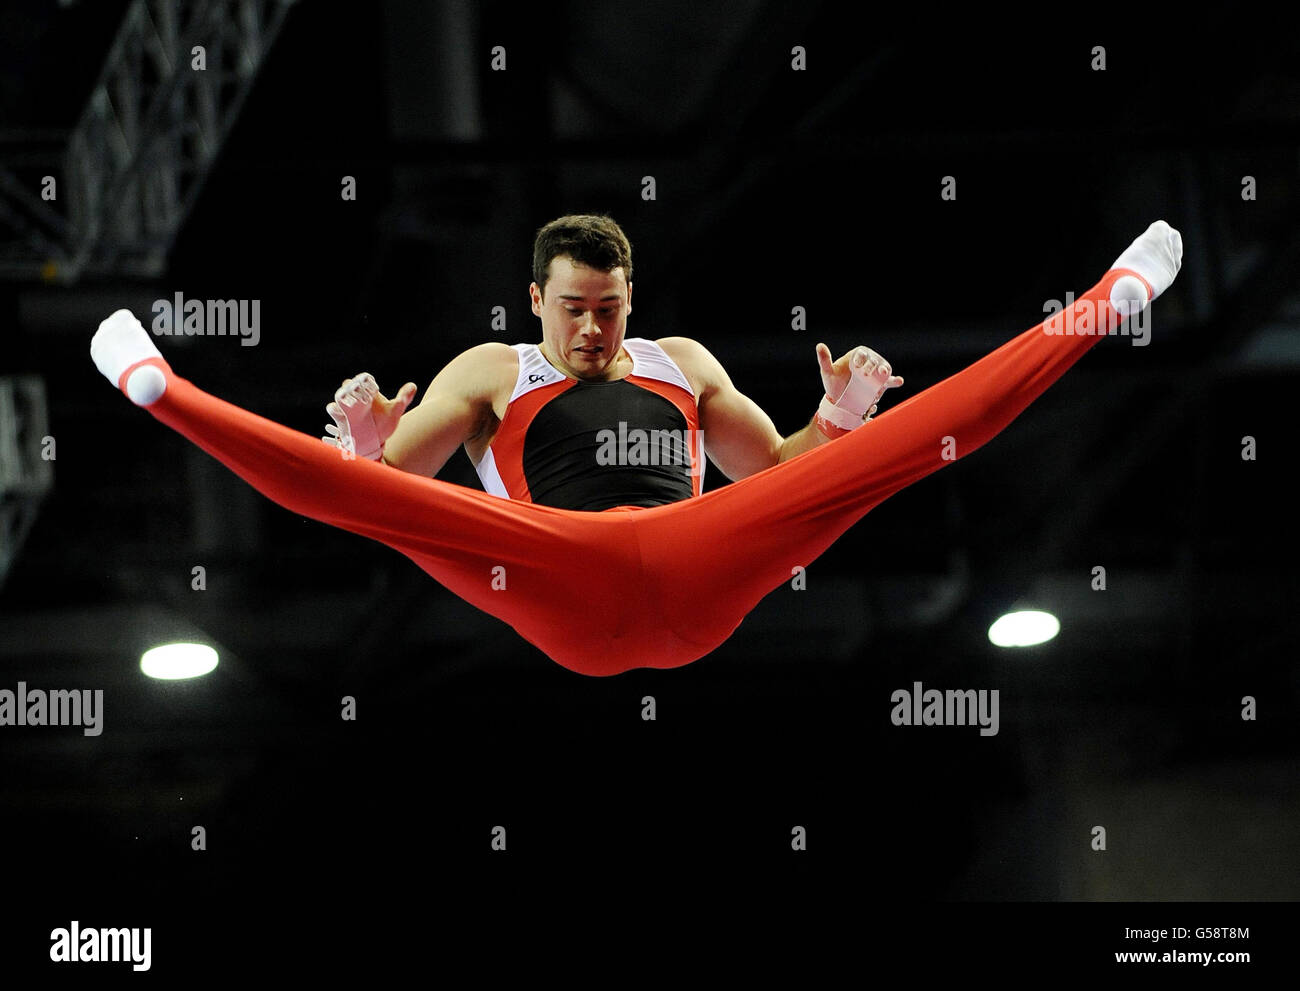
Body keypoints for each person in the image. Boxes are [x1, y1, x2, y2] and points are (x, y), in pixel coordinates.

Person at [90, 216, 1182, 676]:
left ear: (630, 300)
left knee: (906, 445)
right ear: (534, 300)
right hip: (552, 566)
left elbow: (786, 484)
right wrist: (373, 451)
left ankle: (1102, 302)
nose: (592, 331)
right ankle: (162, 388)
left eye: (609, 308)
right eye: (570, 309)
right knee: (351, 495)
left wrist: (840, 425)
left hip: (700, 559)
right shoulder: (492, 371)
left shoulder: (684, 361)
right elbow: (404, 495)